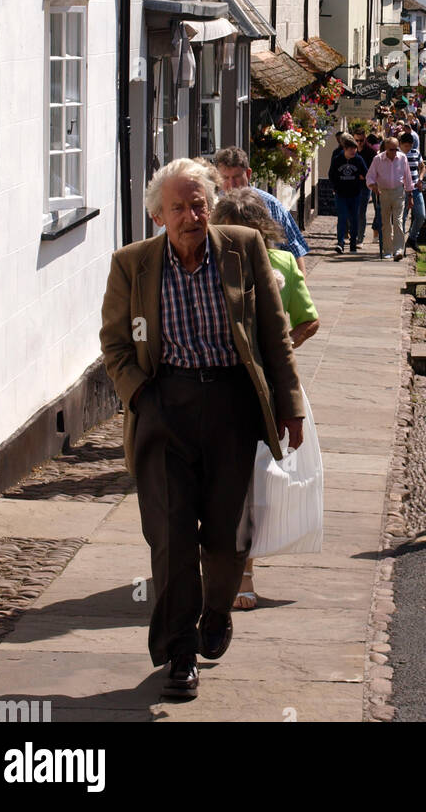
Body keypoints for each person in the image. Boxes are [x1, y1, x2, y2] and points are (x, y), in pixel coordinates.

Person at [99, 159, 304, 700]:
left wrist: (291, 405)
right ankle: (179, 653)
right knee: (168, 539)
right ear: (157, 215)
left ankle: (218, 609)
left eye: (199, 204)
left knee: (226, 535)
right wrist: (142, 396)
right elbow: (115, 345)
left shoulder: (242, 247)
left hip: (231, 406)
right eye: (179, 208)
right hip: (164, 407)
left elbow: (275, 332)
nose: (191, 216)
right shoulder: (132, 265)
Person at [208, 188, 319, 611]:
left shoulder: (282, 265)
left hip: (262, 392)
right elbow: (309, 323)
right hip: (224, 385)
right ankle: (228, 566)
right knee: (235, 483)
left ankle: (243, 573)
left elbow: (310, 321)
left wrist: (275, 351)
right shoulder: (205, 267)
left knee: (250, 484)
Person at [213, 146, 309, 272]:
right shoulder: (213, 206)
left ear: (248, 174)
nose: (232, 184)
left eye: (236, 177)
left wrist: (301, 287)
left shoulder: (270, 204)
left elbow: (295, 251)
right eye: (225, 178)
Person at [366, 135, 414, 261]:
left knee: (398, 221)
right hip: (383, 193)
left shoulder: (402, 158)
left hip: (398, 192)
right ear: (385, 149)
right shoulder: (378, 159)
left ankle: (398, 250)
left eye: (395, 149)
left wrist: (410, 195)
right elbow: (369, 177)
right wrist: (373, 186)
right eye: (391, 149)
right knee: (386, 223)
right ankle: (387, 250)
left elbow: (407, 177)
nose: (394, 152)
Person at [328, 134, 368, 252]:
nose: (353, 151)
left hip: (355, 194)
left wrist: (362, 180)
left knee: (354, 219)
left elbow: (366, 173)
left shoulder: (358, 159)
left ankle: (353, 242)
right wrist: (335, 186)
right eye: (351, 149)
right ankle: (340, 242)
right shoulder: (337, 159)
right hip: (341, 194)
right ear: (345, 149)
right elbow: (331, 175)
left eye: (355, 149)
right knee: (342, 217)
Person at [399, 132, 426, 249]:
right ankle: (400, 244)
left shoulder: (415, 153)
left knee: (421, 215)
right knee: (402, 218)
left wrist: (420, 179)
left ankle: (412, 238)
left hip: (415, 189)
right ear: (400, 145)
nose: (408, 148)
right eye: (406, 146)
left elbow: (422, 167)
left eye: (410, 145)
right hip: (401, 190)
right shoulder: (397, 155)